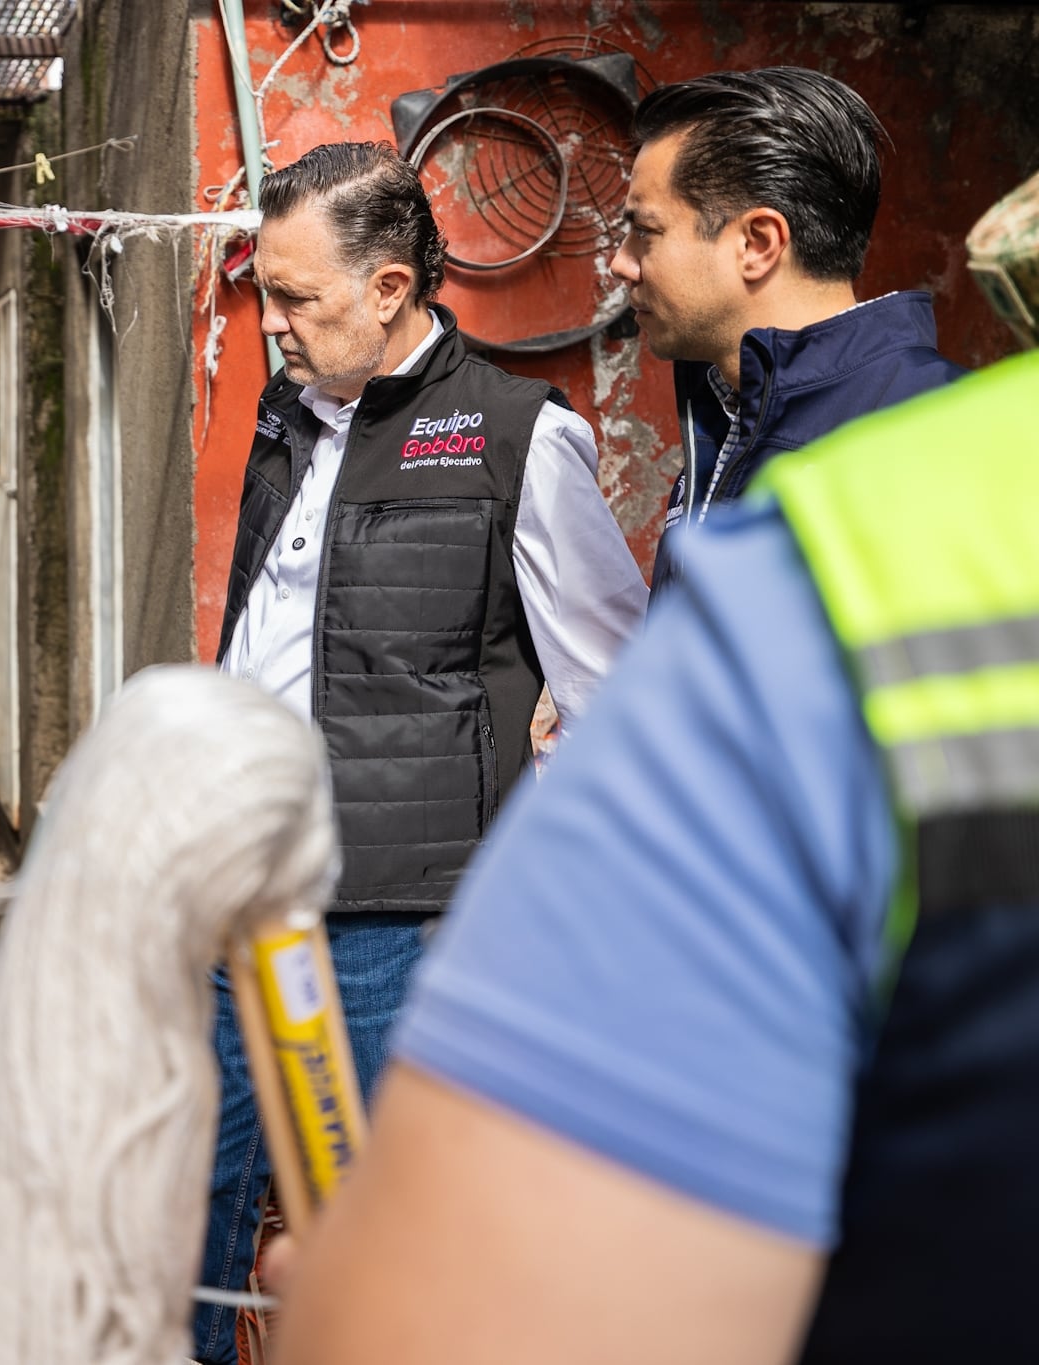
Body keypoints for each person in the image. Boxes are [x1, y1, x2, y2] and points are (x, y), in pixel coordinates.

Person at [271, 227, 1039, 1362]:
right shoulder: (292, 426)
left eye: (640, 229)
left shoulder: (858, 551)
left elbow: (462, 1320)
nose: (616, 263)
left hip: (417, 904)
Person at [197, 141, 648, 1364]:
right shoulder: (286, 418)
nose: (270, 322)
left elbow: (609, 690)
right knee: (200, 1201)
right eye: (263, 292)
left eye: (295, 296)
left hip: (404, 923)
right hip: (251, 901)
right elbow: (263, 635)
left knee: (381, 1240)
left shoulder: (514, 436)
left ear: (389, 288)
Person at [613, 67, 964, 590]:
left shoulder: (936, 437)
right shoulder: (728, 411)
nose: (622, 263)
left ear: (757, 243)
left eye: (645, 232)